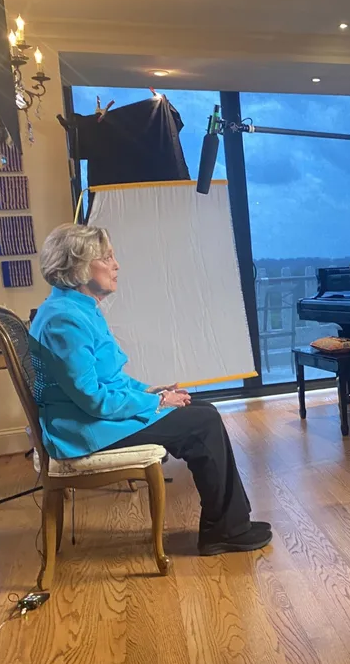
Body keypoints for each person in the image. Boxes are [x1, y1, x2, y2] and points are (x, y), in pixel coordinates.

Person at [29, 223, 272, 555]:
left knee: (202, 411)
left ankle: (230, 523)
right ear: (79, 267)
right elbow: (93, 400)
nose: (117, 265)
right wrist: (156, 401)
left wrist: (151, 392)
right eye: (107, 257)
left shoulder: (75, 309)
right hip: (82, 429)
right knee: (203, 424)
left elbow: (109, 378)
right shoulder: (65, 320)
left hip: (86, 418)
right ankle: (224, 530)